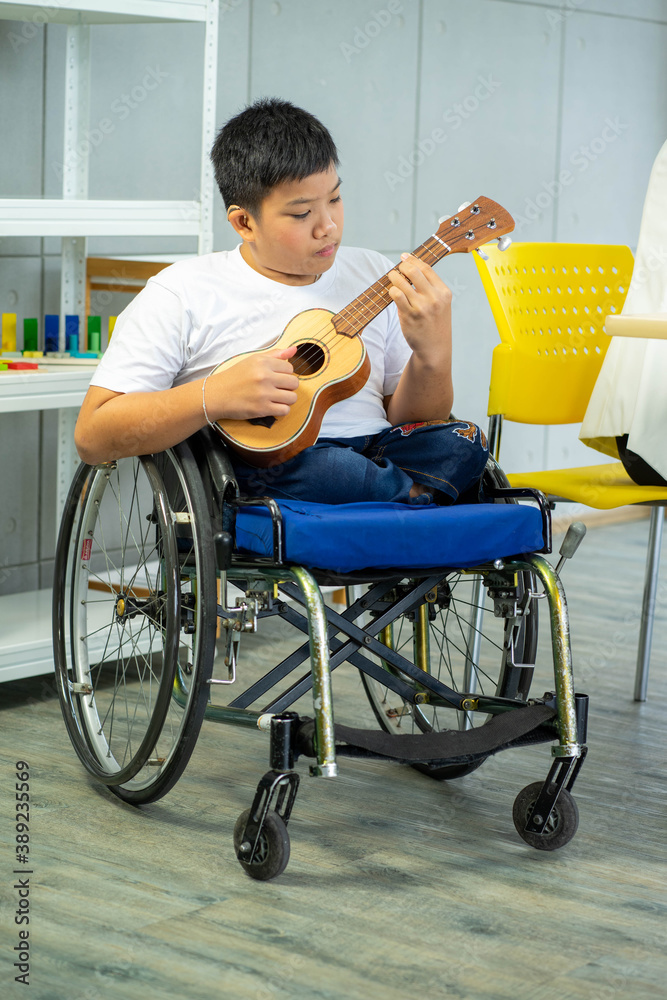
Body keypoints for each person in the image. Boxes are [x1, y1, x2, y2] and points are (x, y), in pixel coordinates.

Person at [75, 98, 488, 505]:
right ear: (244, 222)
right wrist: (213, 395)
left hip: (376, 450)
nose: (328, 226)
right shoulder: (182, 291)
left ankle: (401, 495)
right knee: (332, 469)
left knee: (464, 439)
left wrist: (433, 353)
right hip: (277, 465)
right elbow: (93, 437)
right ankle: (417, 498)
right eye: (301, 213)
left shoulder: (374, 273)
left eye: (335, 199)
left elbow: (410, 422)